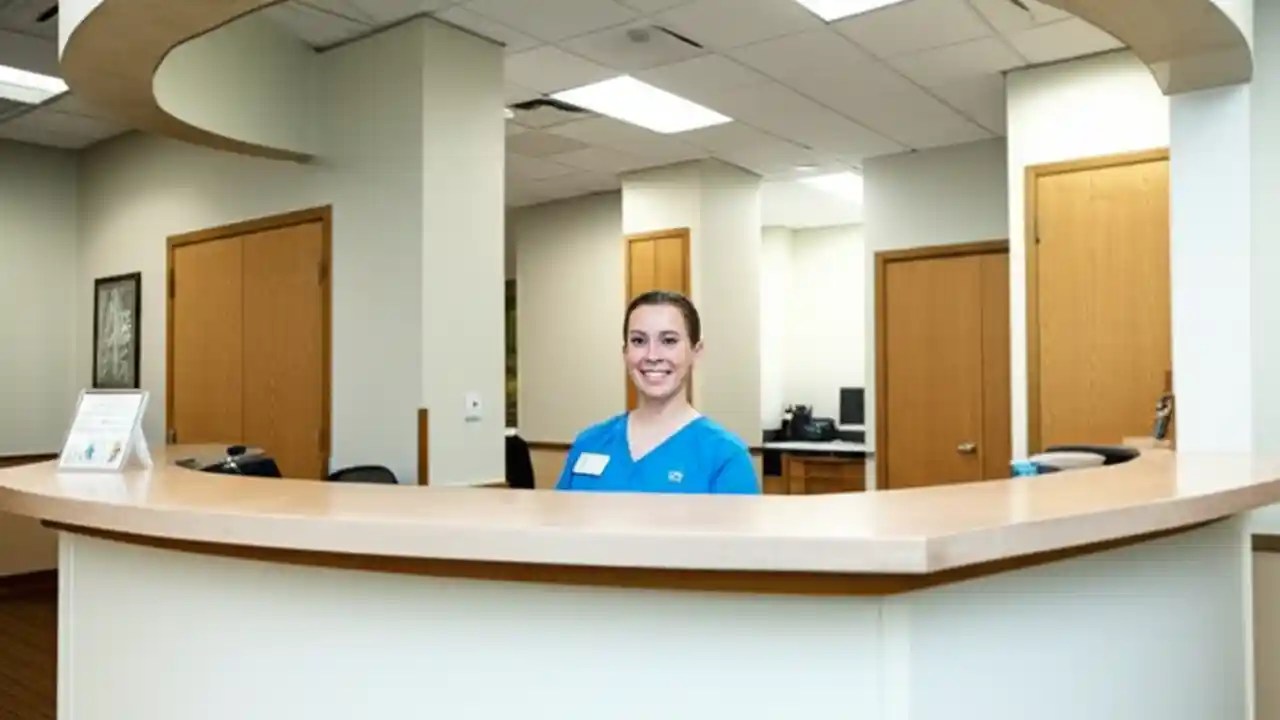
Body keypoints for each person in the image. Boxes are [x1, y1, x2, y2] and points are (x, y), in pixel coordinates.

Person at [556, 290, 760, 494]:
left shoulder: (724, 456)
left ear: (695, 352)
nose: (652, 355)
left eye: (669, 341)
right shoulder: (590, 443)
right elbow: (557, 522)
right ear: (625, 352)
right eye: (638, 341)